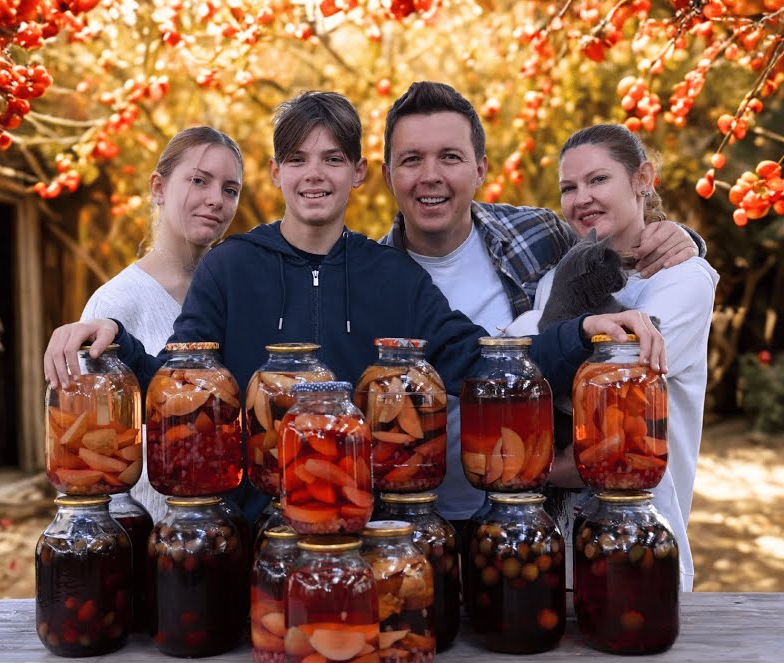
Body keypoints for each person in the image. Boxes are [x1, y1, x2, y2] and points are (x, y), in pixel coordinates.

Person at [44, 91, 666, 524]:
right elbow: (182, 386)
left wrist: (582, 332)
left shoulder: (392, 276)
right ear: (276, 172)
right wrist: (116, 339)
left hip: (371, 534)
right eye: (298, 160)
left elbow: (478, 361)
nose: (314, 175)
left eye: (333, 159)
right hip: (254, 535)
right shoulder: (229, 269)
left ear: (360, 173)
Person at [377, 81, 706, 530]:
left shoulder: (537, 235)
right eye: (411, 159)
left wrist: (680, 239)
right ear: (387, 174)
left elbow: (612, 253)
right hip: (414, 526)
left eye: (450, 157)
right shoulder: (370, 278)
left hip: (524, 522)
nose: (430, 175)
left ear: (480, 168)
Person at [504, 124, 720, 592]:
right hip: (551, 554)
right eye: (569, 188)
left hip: (640, 543)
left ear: (642, 179)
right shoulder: (556, 280)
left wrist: (533, 334)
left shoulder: (684, 279)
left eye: (598, 180)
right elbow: (527, 374)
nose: (581, 198)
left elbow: (614, 384)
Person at [63, 126, 245, 521]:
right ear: (158, 188)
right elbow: (90, 452)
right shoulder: (113, 305)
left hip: (227, 531)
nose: (216, 200)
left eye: (230, 190)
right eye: (199, 181)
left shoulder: (237, 296)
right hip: (149, 528)